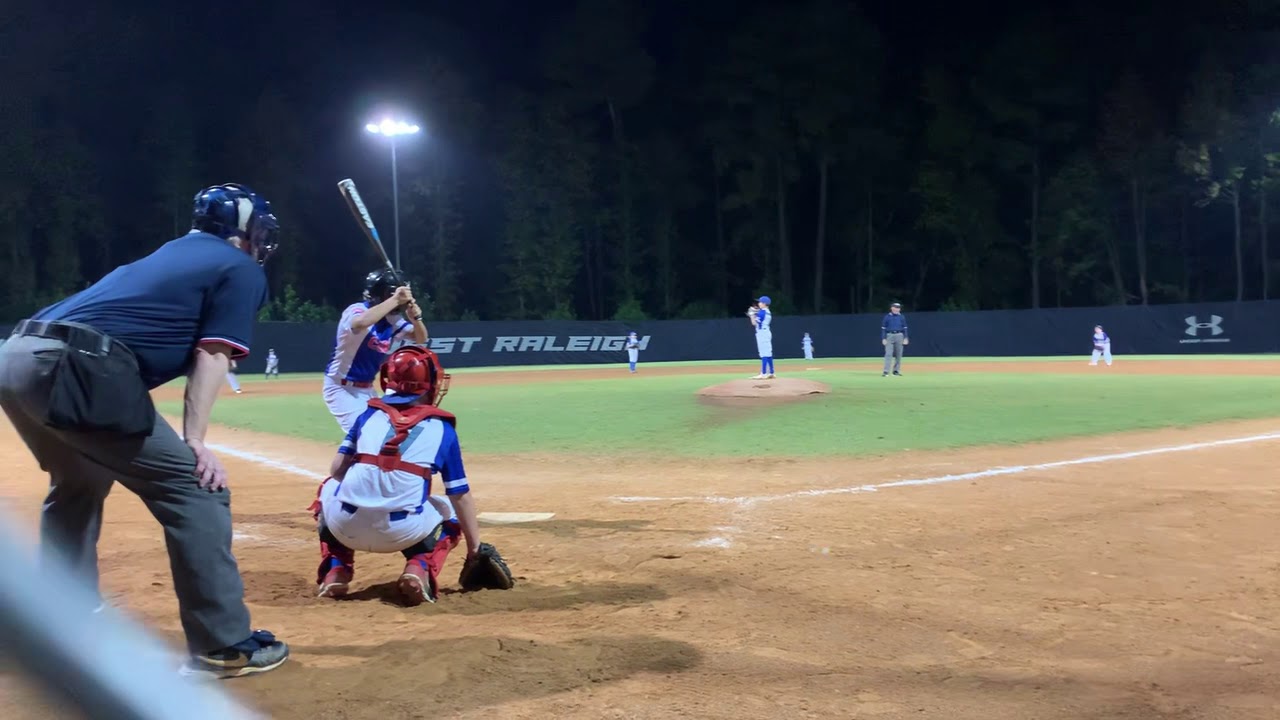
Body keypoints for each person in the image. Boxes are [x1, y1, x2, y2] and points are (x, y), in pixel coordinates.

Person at [0, 183, 290, 677]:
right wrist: (195, 441)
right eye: (258, 231)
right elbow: (212, 353)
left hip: (16, 357)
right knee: (195, 489)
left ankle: (61, 621)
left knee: (78, 483)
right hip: (79, 367)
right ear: (243, 231)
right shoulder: (238, 268)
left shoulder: (172, 253)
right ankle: (222, 646)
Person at [312, 346, 481, 606]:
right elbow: (460, 495)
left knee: (328, 487)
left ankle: (337, 567)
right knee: (450, 508)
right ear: (431, 384)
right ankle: (419, 567)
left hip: (346, 528)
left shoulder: (368, 415)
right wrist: (475, 550)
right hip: (403, 532)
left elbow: (336, 471)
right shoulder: (443, 429)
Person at [323, 269, 429, 433]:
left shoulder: (391, 319)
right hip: (341, 388)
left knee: (388, 433)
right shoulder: (356, 310)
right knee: (366, 434)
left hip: (367, 390)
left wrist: (416, 319)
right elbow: (361, 322)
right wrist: (395, 299)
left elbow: (421, 338)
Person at [749, 296, 775, 379]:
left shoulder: (762, 312)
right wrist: (756, 312)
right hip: (766, 332)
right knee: (768, 353)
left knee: (763, 353)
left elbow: (754, 323)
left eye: (760, 302)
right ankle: (771, 372)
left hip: (762, 333)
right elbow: (761, 314)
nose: (758, 303)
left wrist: (751, 315)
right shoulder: (767, 311)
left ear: (764, 304)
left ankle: (763, 373)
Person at [881, 301, 909, 376]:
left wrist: (906, 338)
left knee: (898, 354)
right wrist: (883, 338)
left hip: (899, 335)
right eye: (895, 307)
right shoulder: (887, 317)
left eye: (898, 308)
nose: (897, 309)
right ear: (891, 308)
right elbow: (883, 328)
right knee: (888, 354)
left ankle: (896, 371)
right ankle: (886, 371)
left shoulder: (901, 317)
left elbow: (905, 328)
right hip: (889, 335)